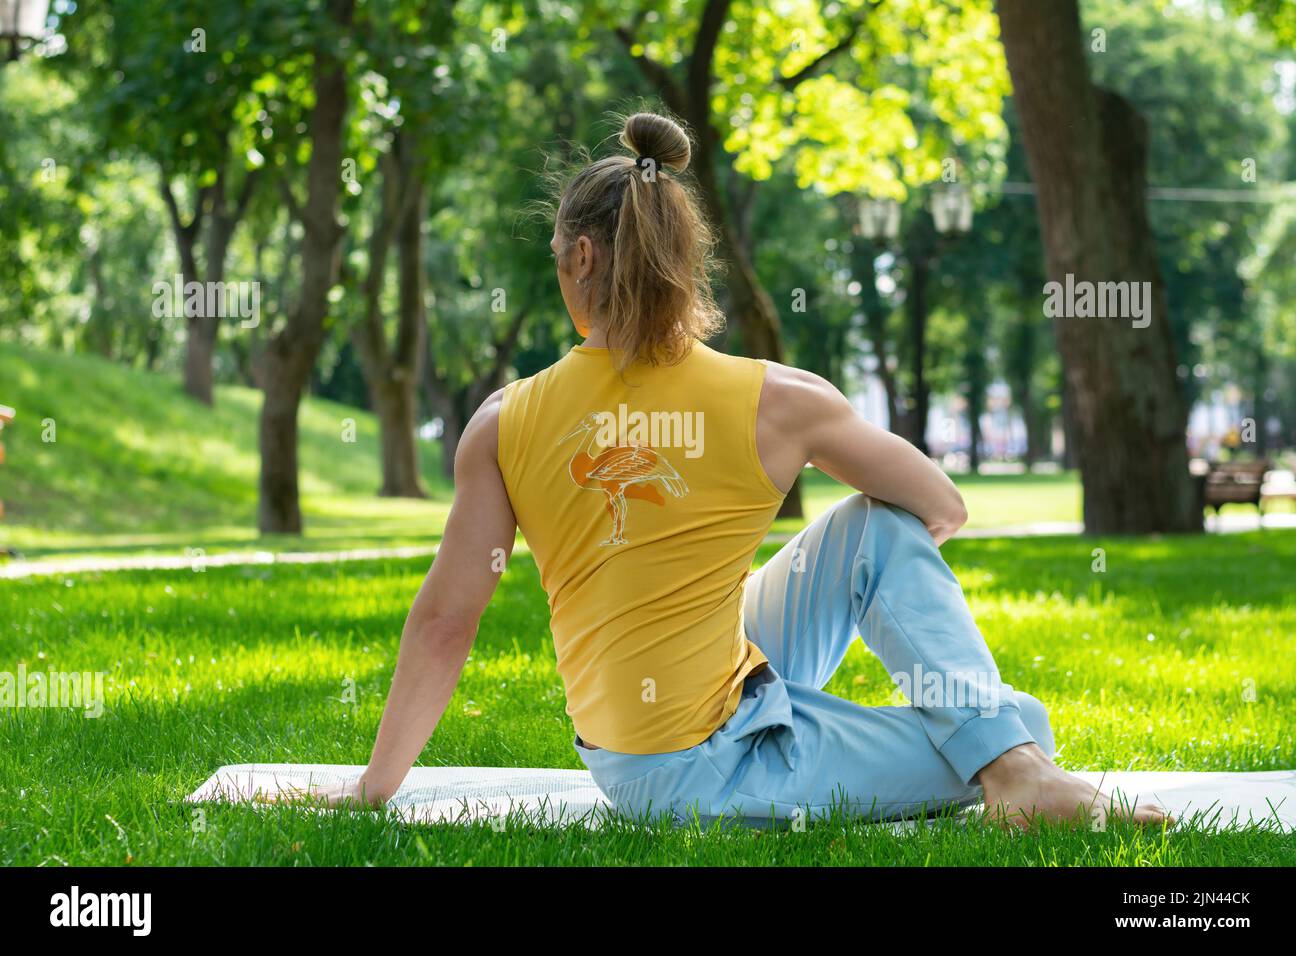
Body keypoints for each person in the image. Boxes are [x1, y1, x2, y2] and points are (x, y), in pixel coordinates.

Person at [308, 111, 1171, 830]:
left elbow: (446, 621)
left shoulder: (502, 422)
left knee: (966, 681)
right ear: (686, 259)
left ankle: (1009, 766)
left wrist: (374, 784)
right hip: (694, 773)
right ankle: (1014, 769)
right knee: (1010, 721)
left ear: (578, 259)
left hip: (636, 755)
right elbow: (939, 509)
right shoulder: (780, 400)